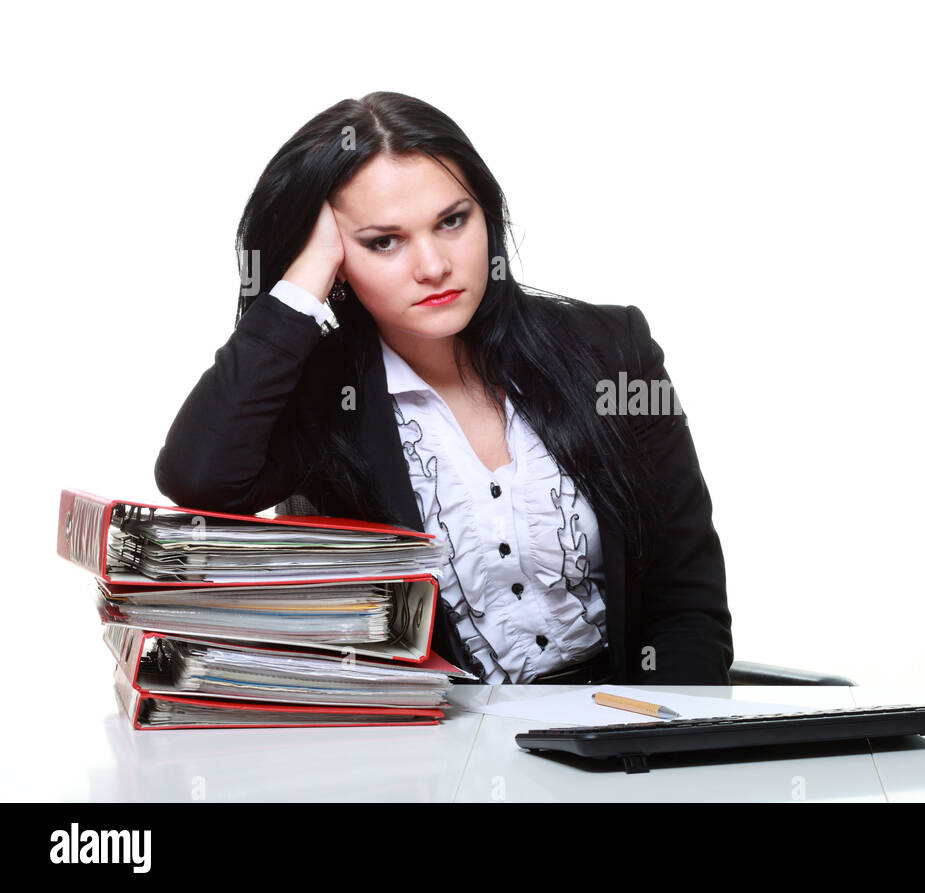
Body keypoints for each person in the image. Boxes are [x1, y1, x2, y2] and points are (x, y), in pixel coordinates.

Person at [154, 91, 732, 685]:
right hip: (436, 753)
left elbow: (686, 599)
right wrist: (303, 283)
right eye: (385, 241)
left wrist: (659, 747)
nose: (433, 266)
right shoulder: (327, 400)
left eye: (452, 221)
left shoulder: (610, 349)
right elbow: (201, 479)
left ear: (487, 215)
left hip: (625, 727)